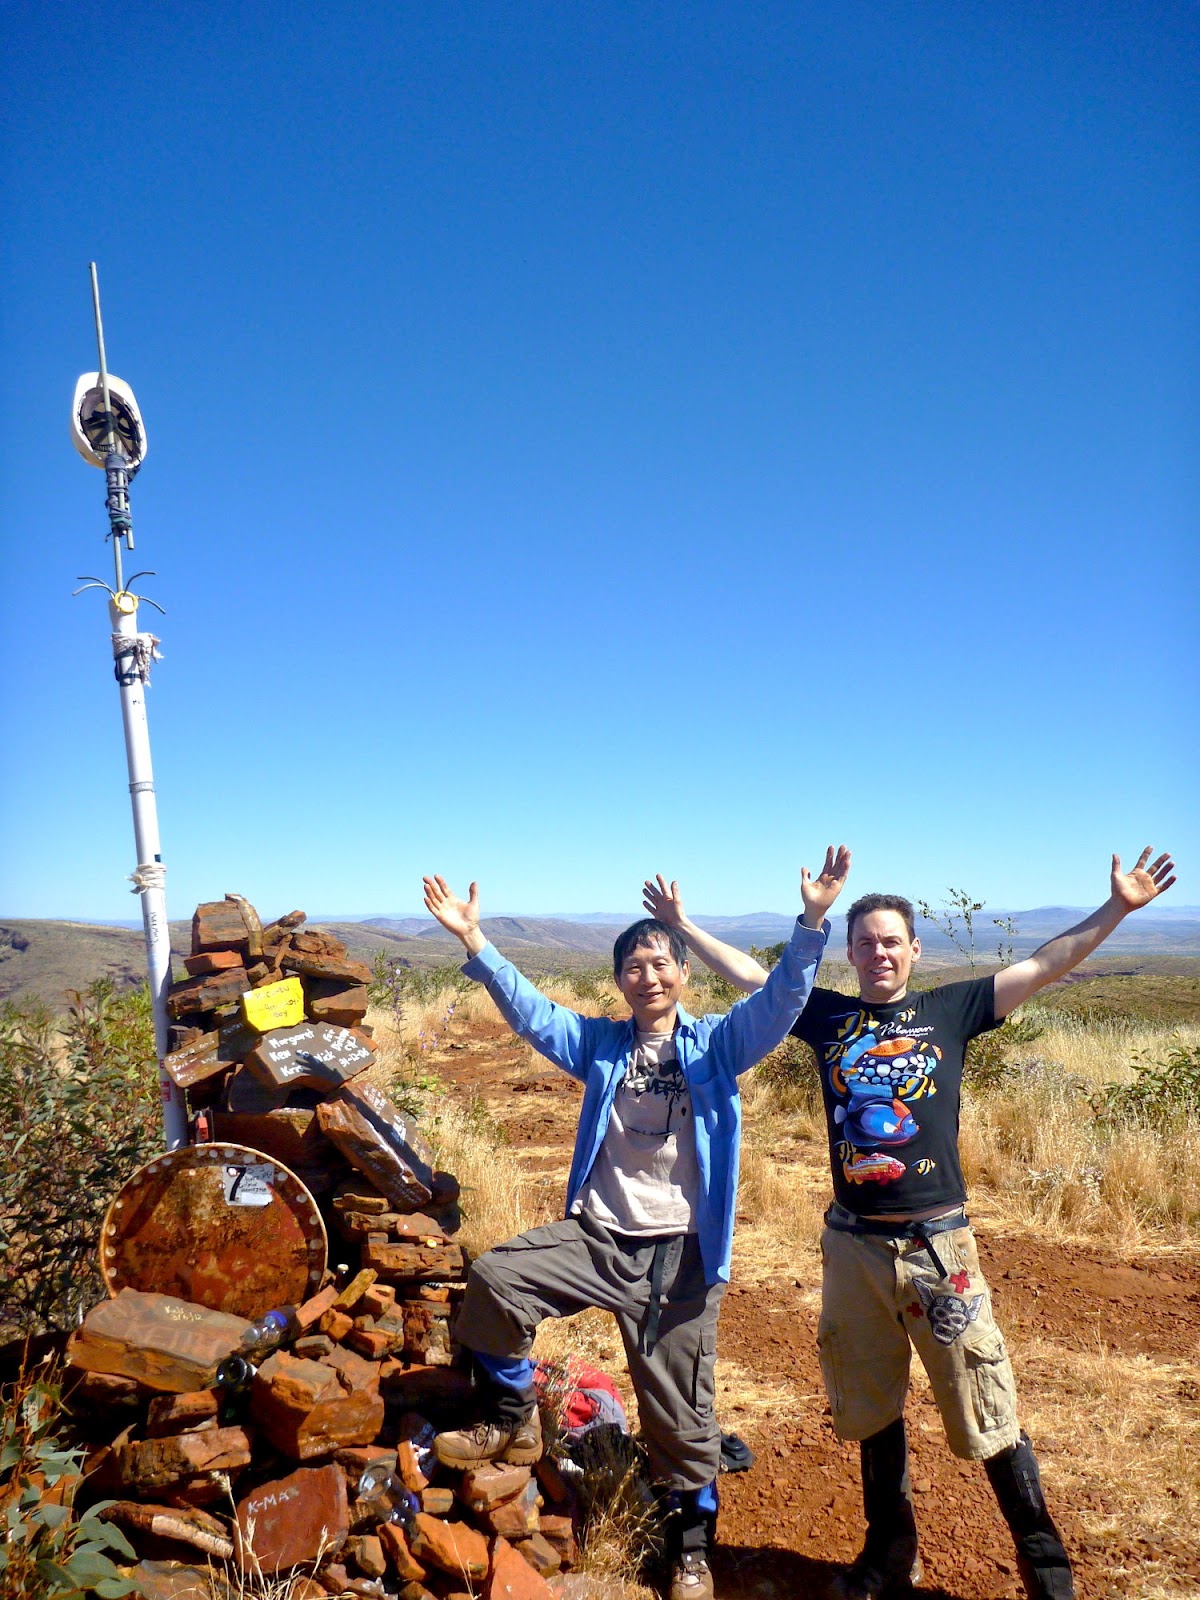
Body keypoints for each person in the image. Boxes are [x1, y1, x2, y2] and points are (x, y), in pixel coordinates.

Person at [643, 847, 1176, 1600]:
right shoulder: (826, 1014)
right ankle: (890, 1556)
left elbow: (1047, 963)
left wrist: (1117, 909)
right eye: (864, 942)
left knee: (985, 1405)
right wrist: (682, 924)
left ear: (914, 950)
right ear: (850, 954)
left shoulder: (951, 1010)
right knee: (870, 1404)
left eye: (891, 940)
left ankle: (1046, 1574)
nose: (878, 952)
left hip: (937, 1244)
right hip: (854, 1246)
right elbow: (755, 979)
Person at [421, 847, 851, 1600]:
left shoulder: (717, 1043)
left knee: (684, 1420)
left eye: (660, 963)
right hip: (600, 1238)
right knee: (496, 1278)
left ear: (682, 973)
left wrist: (812, 920)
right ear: (618, 980)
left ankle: (690, 1552)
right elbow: (532, 1013)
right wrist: (474, 942)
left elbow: (783, 998)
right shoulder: (601, 1045)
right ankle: (512, 1412)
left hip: (679, 1259)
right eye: (632, 967)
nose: (647, 977)